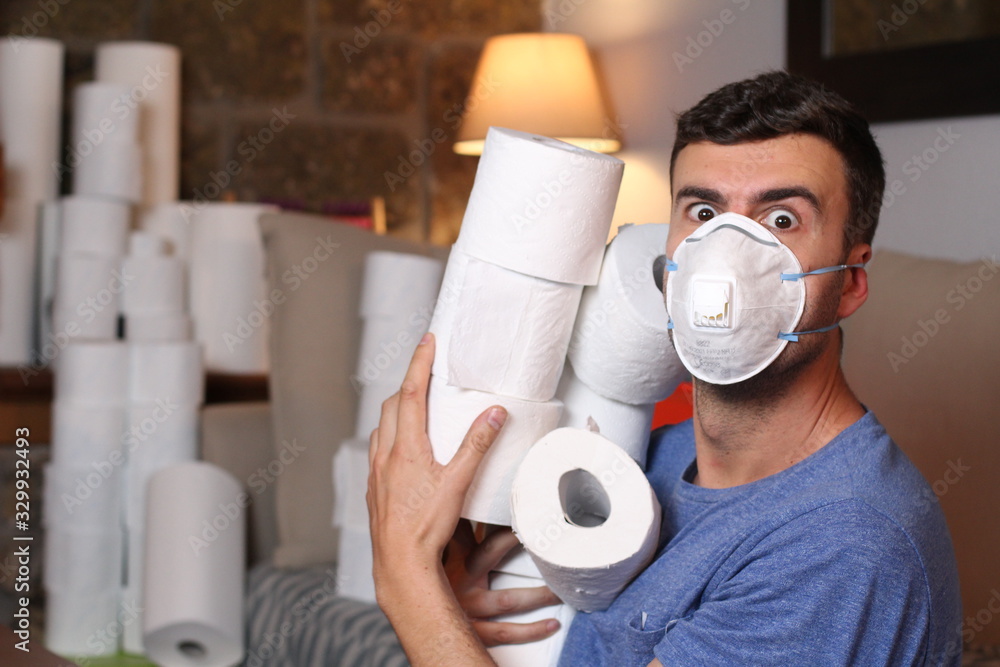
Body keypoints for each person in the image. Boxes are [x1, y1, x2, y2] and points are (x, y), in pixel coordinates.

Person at [366, 71, 963, 666]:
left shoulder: (843, 544)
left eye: (781, 220)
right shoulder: (656, 458)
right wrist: (457, 603)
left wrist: (405, 578)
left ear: (851, 281)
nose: (726, 257)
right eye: (704, 212)